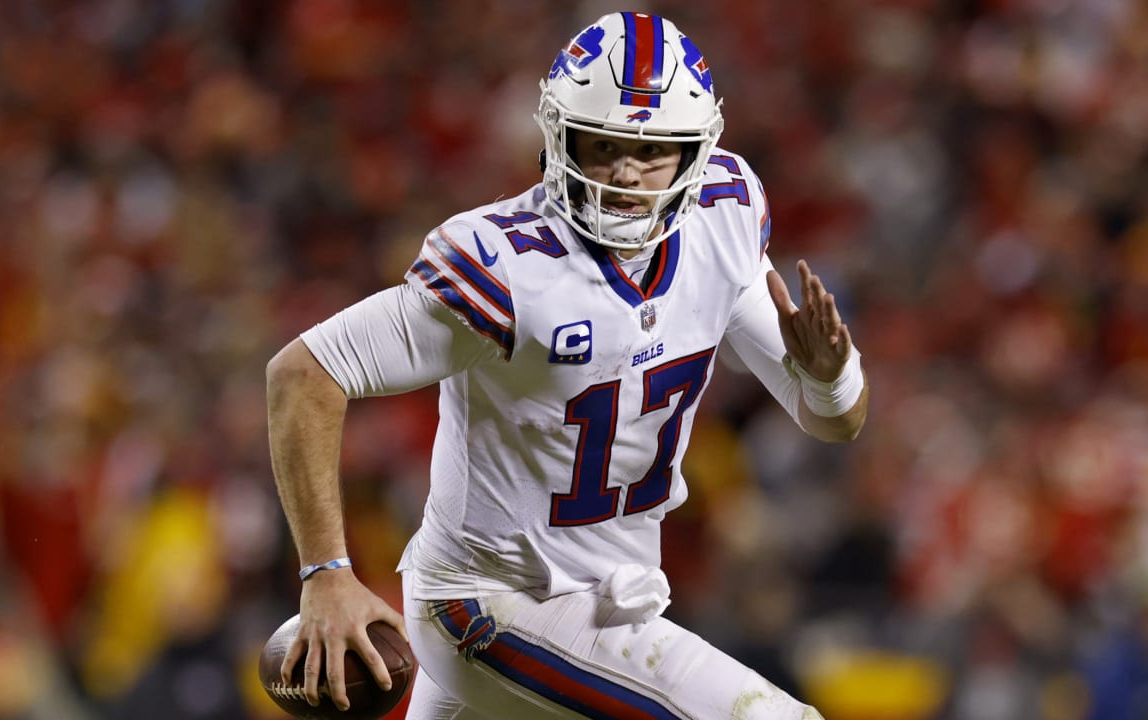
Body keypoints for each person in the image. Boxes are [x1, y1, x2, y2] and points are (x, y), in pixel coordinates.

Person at [266, 11, 868, 720]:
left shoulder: (723, 221)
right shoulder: (507, 265)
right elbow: (303, 373)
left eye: (650, 152)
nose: (622, 172)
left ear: (694, 156)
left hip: (608, 603)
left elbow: (835, 423)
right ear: (558, 137)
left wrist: (828, 376)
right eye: (601, 144)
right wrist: (326, 573)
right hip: (492, 603)